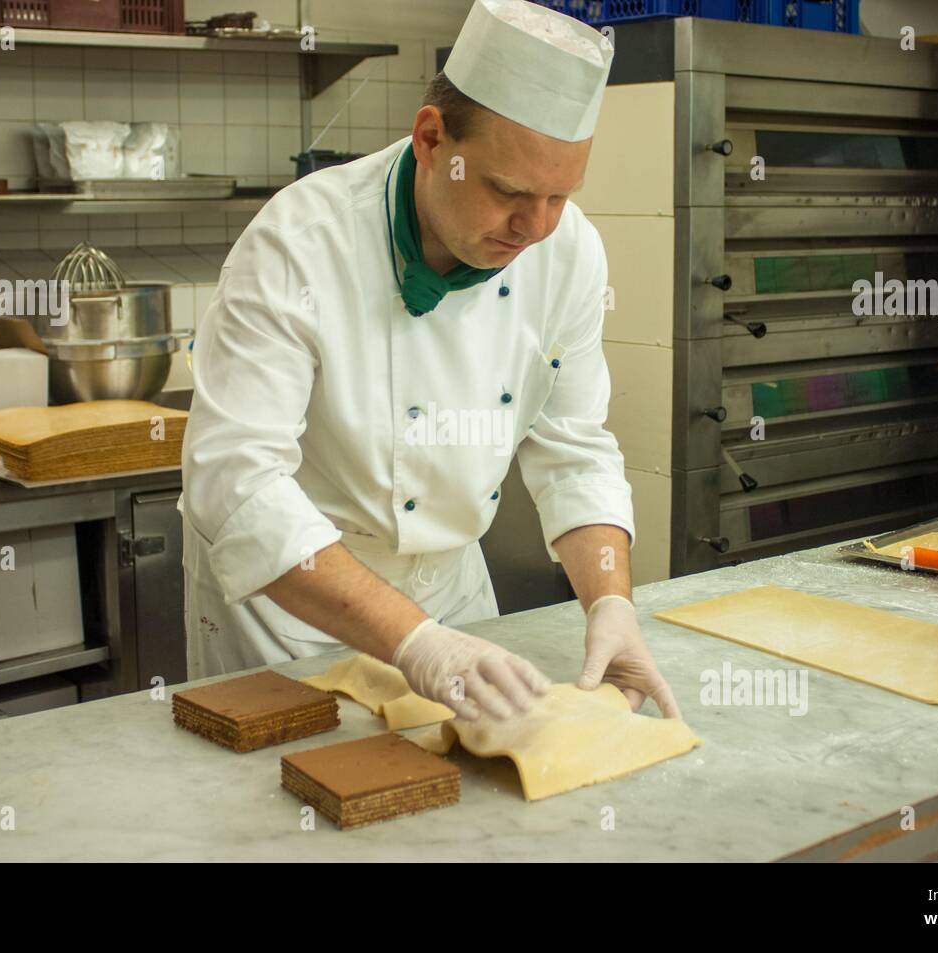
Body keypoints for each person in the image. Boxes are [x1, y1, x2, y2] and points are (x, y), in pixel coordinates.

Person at [180, 0, 680, 722]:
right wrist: (412, 641)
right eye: (507, 191)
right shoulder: (299, 242)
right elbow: (235, 482)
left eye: (559, 196)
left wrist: (610, 602)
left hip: (455, 602)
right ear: (430, 138)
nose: (534, 227)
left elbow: (572, 448)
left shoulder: (567, 252)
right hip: (291, 609)